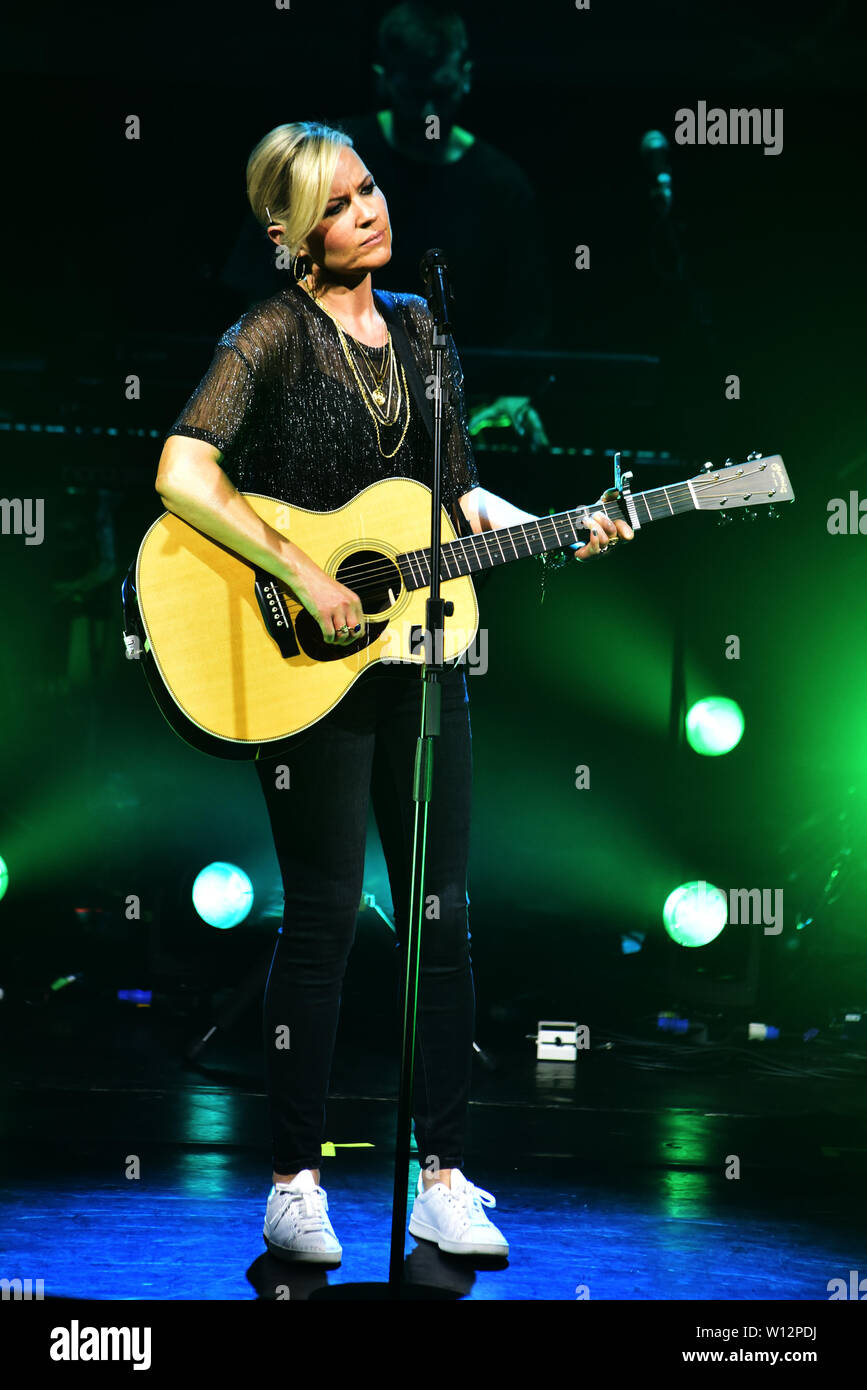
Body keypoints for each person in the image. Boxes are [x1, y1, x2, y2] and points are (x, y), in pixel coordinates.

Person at [154, 121, 633, 1265]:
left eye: (369, 187)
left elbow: (458, 500)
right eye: (336, 203)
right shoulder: (270, 332)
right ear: (289, 235)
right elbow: (182, 470)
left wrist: (563, 532)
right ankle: (292, 1186)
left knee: (442, 922)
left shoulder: (423, 332)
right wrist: (308, 573)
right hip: (305, 670)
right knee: (320, 921)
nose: (368, 209)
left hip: (421, 659)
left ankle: (445, 1178)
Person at [218, 1, 552, 448]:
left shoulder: (501, 186)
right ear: (385, 81)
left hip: (467, 419)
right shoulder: (335, 158)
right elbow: (258, 284)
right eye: (416, 94)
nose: (429, 110)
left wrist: (510, 396)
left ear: (465, 76)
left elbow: (527, 315)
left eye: (370, 189)